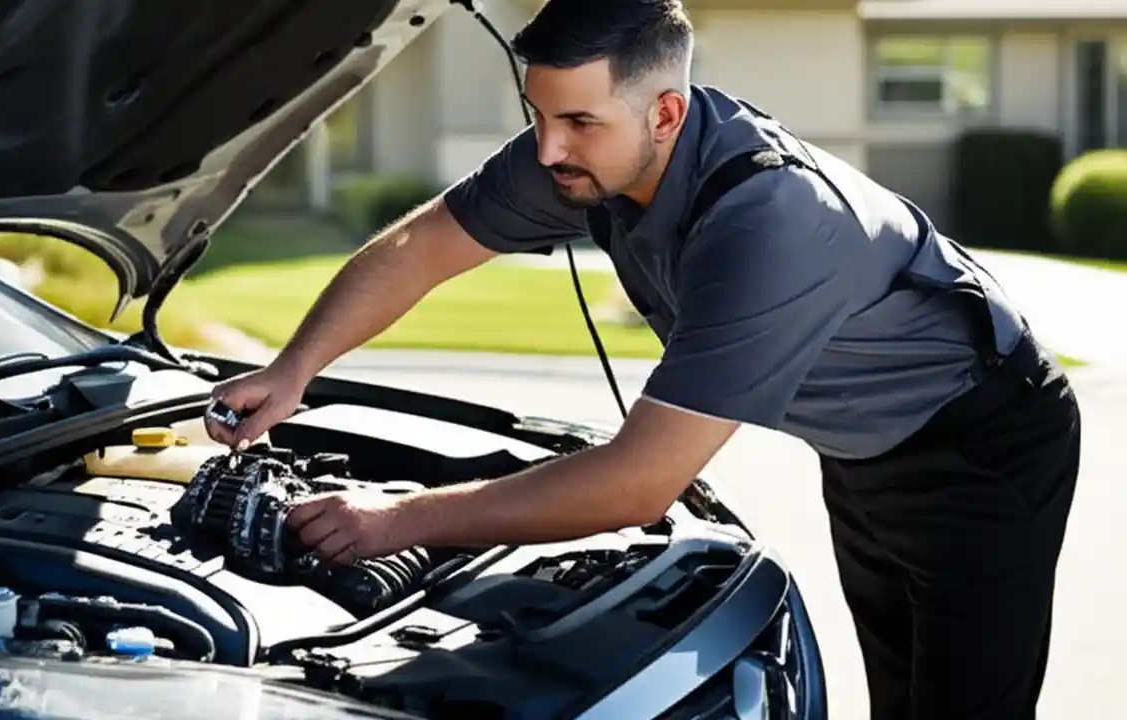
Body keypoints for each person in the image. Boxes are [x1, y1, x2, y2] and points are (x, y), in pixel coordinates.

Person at [204, 1, 1080, 717]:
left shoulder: (771, 220)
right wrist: (293, 369)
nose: (548, 150)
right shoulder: (590, 156)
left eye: (578, 121)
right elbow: (426, 245)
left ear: (666, 111)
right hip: (864, 451)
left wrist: (392, 523)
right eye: (537, 116)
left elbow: (636, 486)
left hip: (984, 446)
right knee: (898, 690)